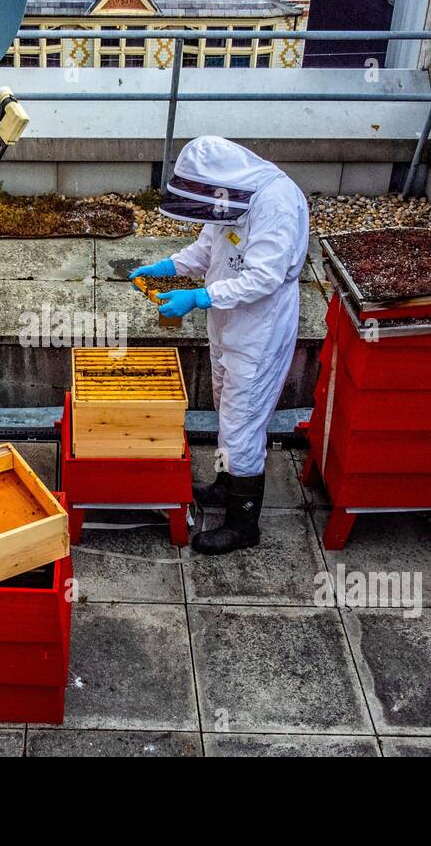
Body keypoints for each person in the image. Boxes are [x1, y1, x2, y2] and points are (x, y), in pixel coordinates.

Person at [130, 136, 309, 555]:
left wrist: (199, 297)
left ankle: (243, 525)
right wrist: (169, 267)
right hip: (228, 318)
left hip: (261, 328)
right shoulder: (230, 195)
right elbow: (208, 247)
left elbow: (265, 278)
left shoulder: (277, 203)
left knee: (242, 422)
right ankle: (227, 484)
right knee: (223, 401)